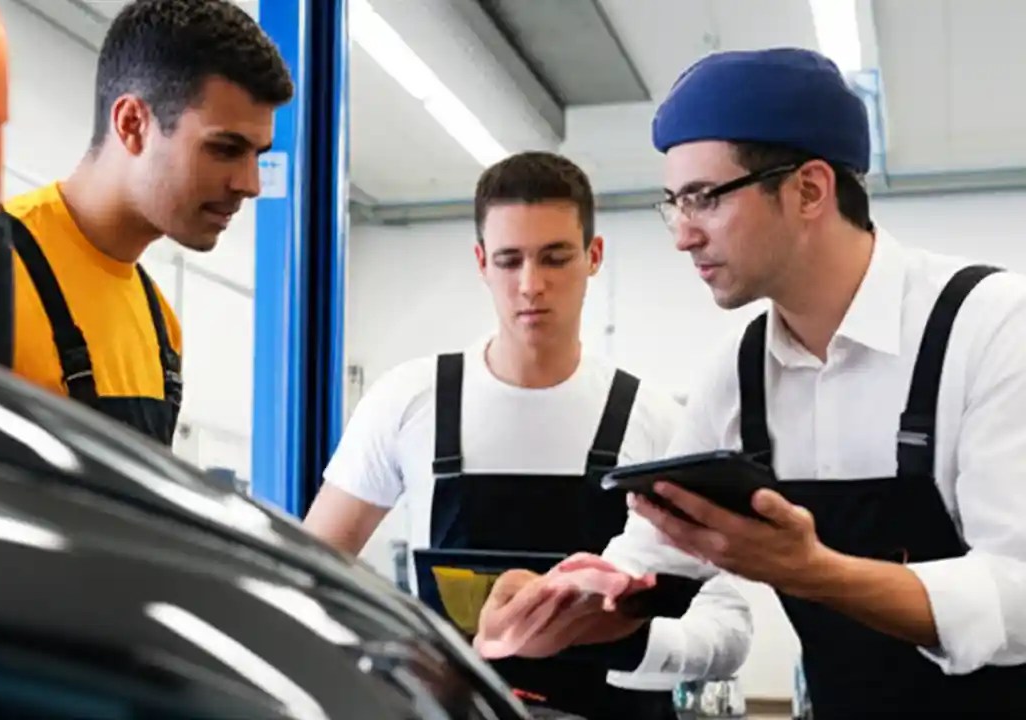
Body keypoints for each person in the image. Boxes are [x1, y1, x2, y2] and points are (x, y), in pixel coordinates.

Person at [475, 48, 1026, 719]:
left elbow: (1017, 594)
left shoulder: (992, 326)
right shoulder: (738, 371)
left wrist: (812, 570)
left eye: (704, 198)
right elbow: (655, 561)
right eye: (674, 203)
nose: (683, 235)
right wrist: (568, 601)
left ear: (809, 190)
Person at [303, 151, 752, 719]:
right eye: (509, 260)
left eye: (555, 258)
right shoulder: (410, 402)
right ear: (481, 262)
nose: (530, 285)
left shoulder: (658, 419)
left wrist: (616, 637)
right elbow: (311, 573)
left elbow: (729, 623)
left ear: (594, 257)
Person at [0, 0, 293, 447]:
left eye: (257, 155)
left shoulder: (159, 324)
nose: (250, 184)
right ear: (133, 124)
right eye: (226, 148)